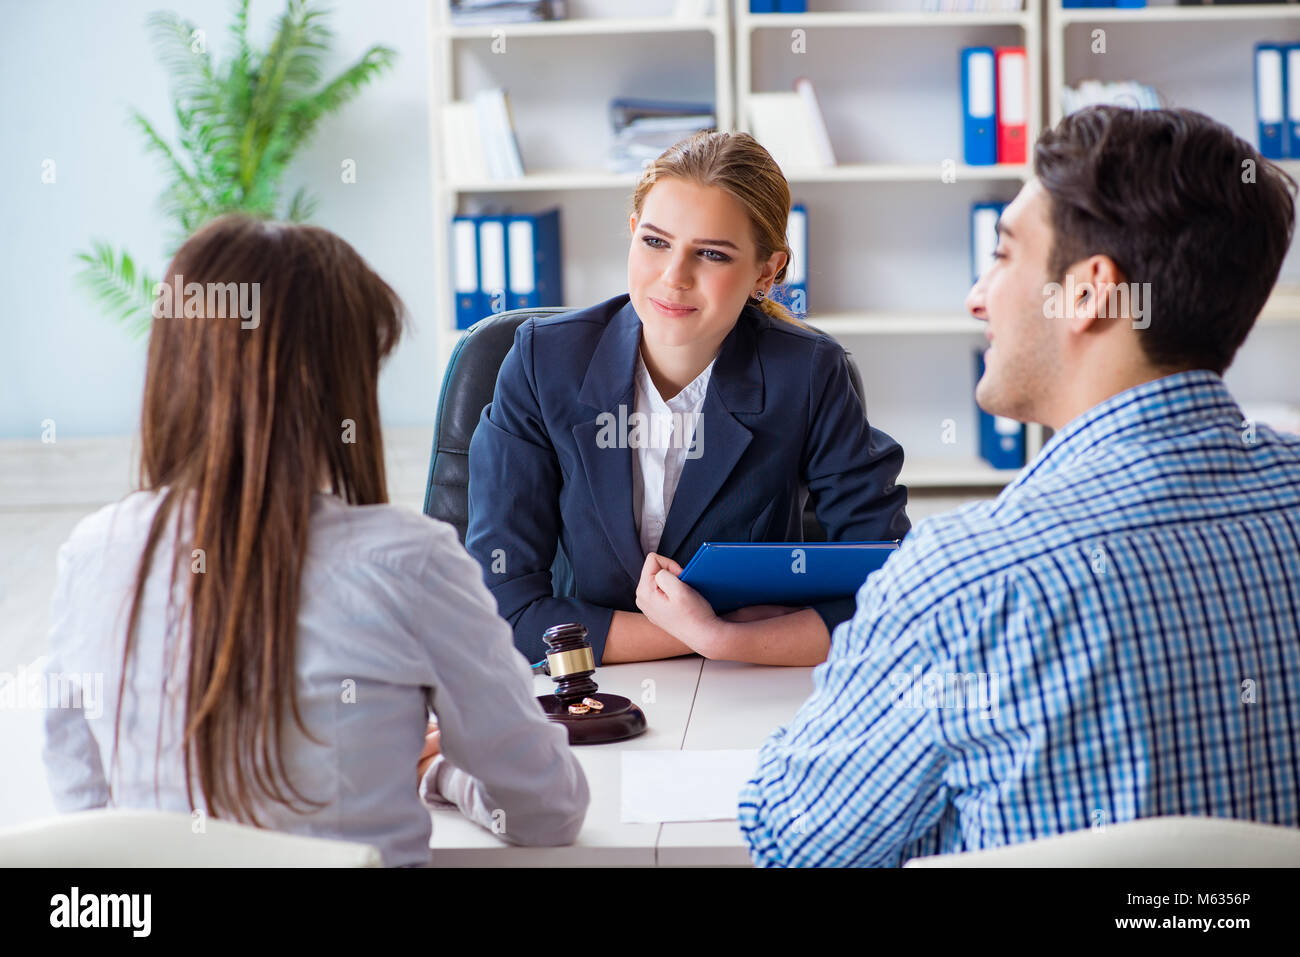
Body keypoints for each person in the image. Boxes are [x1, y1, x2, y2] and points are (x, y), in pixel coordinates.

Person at [738, 105, 1300, 866]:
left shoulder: (962, 580)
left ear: (1089, 292)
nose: (977, 297)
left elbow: (797, 843)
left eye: (1003, 256)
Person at [41, 215, 588, 866]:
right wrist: (437, 771)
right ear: (338, 388)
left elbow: (83, 803)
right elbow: (547, 809)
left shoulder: (94, 552)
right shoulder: (409, 561)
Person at [466, 131, 911, 668]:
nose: (674, 278)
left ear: (765, 273)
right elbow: (500, 608)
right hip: (591, 682)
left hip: (743, 683)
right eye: (656, 242)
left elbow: (891, 591)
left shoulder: (810, 374)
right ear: (632, 233)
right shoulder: (544, 363)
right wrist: (698, 634)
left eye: (712, 254)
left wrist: (727, 644)